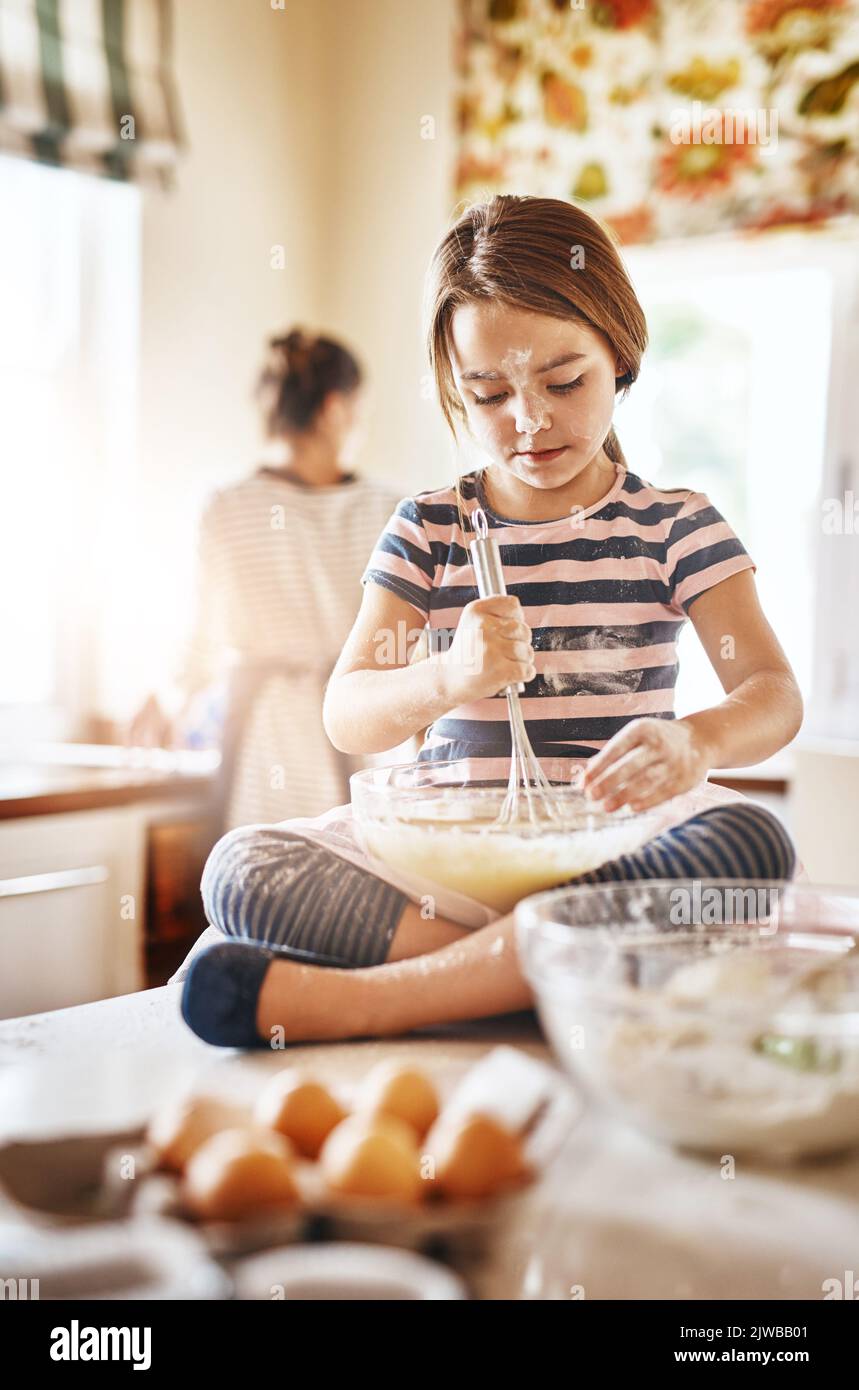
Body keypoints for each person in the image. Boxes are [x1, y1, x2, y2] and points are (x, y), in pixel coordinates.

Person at [180, 196, 803, 1047]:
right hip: (443, 862)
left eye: (564, 381)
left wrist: (696, 743)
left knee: (748, 842)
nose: (530, 419)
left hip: (607, 857)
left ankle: (380, 1001)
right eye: (488, 392)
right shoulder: (428, 527)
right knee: (243, 868)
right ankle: (542, 978)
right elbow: (348, 708)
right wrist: (447, 676)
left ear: (619, 356)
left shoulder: (675, 525)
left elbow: (770, 693)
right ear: (454, 390)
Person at [128, 328, 405, 830]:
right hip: (357, 726)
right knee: (354, 883)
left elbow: (202, 636)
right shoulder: (389, 508)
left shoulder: (227, 505)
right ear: (333, 408)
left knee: (266, 884)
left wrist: (168, 698)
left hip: (263, 737)